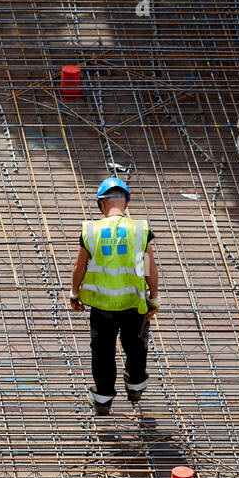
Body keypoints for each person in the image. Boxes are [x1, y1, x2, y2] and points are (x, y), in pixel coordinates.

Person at [69, 177, 159, 415]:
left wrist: (74, 294)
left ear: (101, 204)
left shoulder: (90, 230)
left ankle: (103, 398)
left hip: (103, 307)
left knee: (102, 352)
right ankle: (136, 385)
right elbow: (148, 265)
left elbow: (79, 267)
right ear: (126, 202)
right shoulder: (140, 229)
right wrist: (155, 297)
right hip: (134, 305)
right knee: (136, 347)